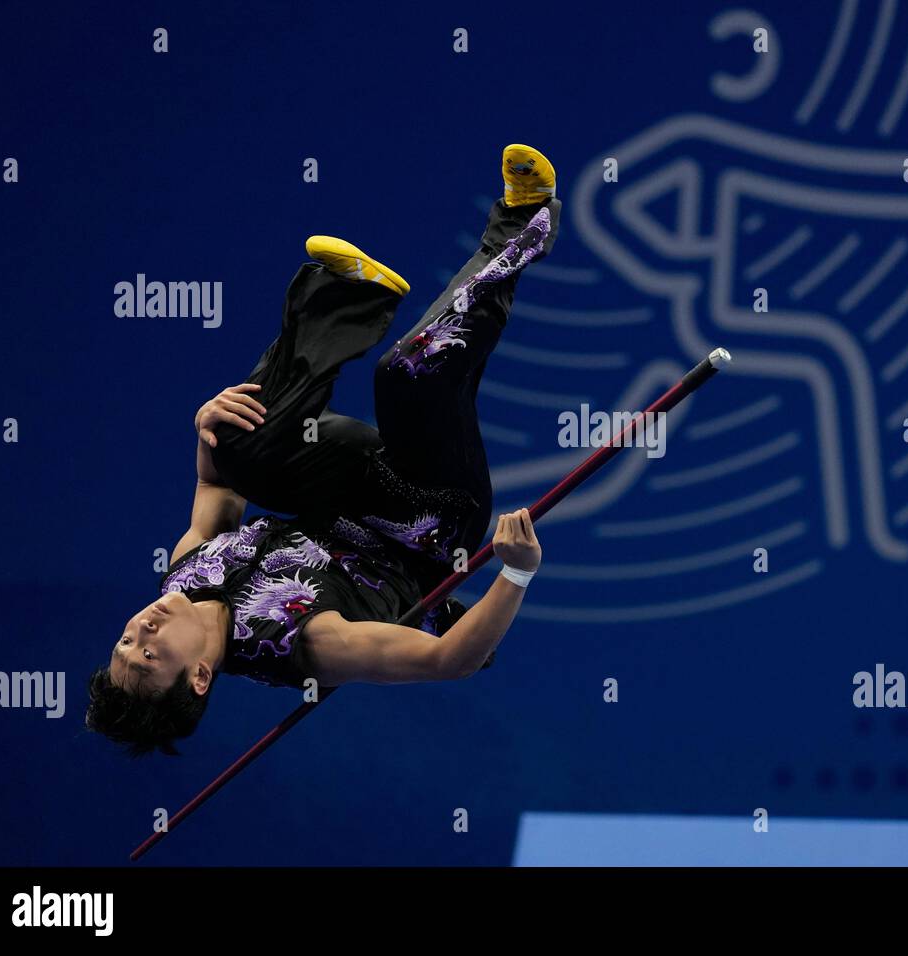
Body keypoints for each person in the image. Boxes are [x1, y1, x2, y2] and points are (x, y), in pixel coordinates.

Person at [86, 145, 561, 756]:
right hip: (426, 518)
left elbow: (218, 486)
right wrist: (517, 571)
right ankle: (523, 219)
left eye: (124, 644)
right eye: (149, 656)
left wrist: (205, 422)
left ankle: (346, 297)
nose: (140, 631)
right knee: (409, 376)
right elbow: (448, 658)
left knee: (230, 441)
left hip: (341, 481)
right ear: (199, 677)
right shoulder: (306, 648)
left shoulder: (185, 570)